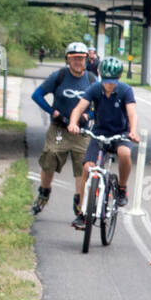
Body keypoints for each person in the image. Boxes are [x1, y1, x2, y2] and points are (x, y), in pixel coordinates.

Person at [30, 41, 99, 222]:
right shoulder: (59, 76)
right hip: (60, 129)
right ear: (68, 60)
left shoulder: (92, 80)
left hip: (81, 132)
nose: (78, 62)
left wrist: (89, 115)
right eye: (74, 58)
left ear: (86, 60)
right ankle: (44, 193)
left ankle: (79, 203)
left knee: (83, 167)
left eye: (81, 58)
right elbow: (37, 95)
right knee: (50, 156)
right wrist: (52, 111)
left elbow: (99, 105)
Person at [67, 56, 140, 220]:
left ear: (119, 78)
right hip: (99, 132)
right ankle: (82, 211)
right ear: (100, 76)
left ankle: (121, 188)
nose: (109, 84)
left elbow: (132, 113)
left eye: (113, 81)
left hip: (121, 133)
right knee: (87, 168)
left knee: (124, 154)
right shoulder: (94, 88)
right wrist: (73, 123)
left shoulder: (125, 90)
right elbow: (79, 108)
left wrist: (133, 131)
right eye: (106, 80)